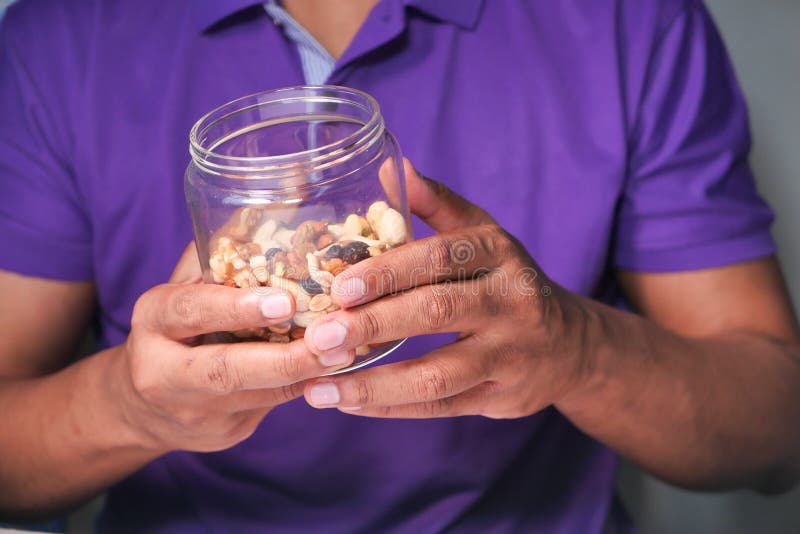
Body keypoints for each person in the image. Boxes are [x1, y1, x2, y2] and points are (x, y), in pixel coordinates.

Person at [1, 0, 798, 532]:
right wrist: (131, 406)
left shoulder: (633, 18)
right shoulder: (59, 36)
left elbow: (778, 431)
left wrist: (579, 349)